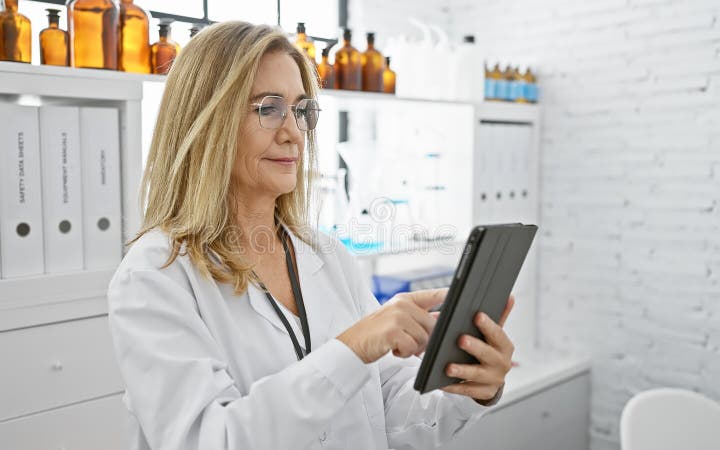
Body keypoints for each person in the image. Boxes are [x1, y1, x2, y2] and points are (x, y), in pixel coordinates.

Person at [107, 21, 516, 450]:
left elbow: (392, 412)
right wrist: (353, 348)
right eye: (268, 108)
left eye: (301, 111)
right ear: (205, 121)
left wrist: (469, 386)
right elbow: (210, 440)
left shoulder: (328, 256)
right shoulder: (154, 277)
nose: (292, 132)